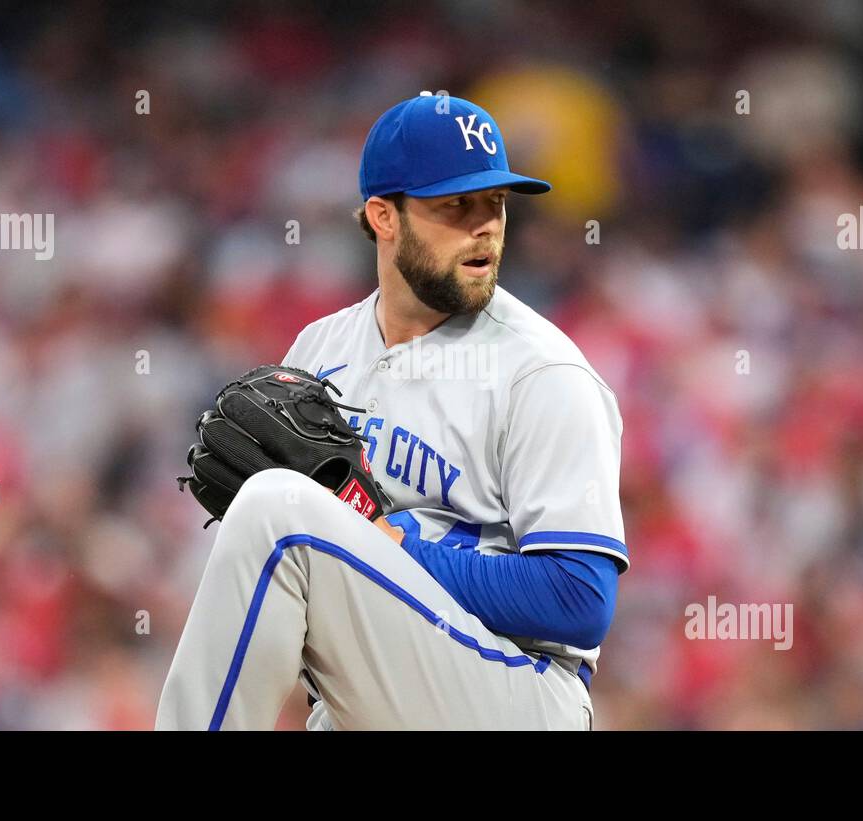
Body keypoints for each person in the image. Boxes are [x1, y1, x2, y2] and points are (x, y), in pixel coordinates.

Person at [156, 92, 627, 730]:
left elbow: (580, 597)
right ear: (384, 217)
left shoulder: (543, 371)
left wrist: (391, 546)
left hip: (519, 691)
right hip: (378, 696)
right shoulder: (319, 349)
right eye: (456, 205)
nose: (484, 224)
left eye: (495, 203)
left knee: (277, 509)